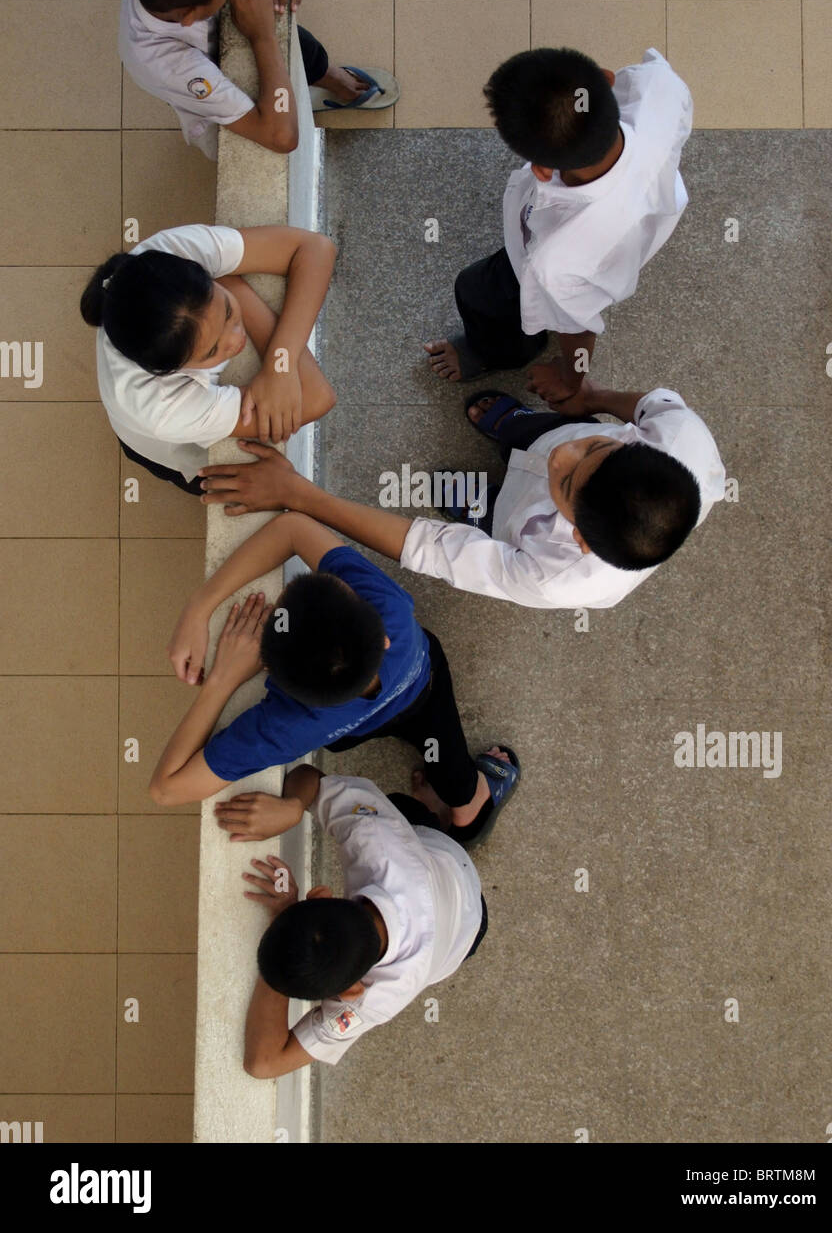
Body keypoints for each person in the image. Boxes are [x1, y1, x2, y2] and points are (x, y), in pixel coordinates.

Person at [193, 378, 726, 611]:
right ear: (646, 448)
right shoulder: (683, 438)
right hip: (556, 439)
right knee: (534, 435)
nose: (561, 459)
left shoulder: (552, 578)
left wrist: (302, 494)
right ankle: (516, 429)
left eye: (565, 485)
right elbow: (649, 404)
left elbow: (433, 547)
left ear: (582, 540)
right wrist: (589, 398)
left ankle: (486, 503)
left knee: (493, 519)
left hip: (514, 531)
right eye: (596, 446)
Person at [150, 511, 520, 846]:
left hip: (350, 728)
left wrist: (221, 677)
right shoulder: (390, 610)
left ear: (275, 678)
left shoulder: (292, 725)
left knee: (419, 760)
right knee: (458, 791)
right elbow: (293, 529)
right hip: (424, 686)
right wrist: (199, 609)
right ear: (382, 636)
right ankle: (468, 802)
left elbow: (168, 790)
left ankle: (452, 788)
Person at [425, 46, 692, 415]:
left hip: (574, 258)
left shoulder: (558, 261)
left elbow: (577, 326)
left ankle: (493, 352)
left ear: (540, 170)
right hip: (652, 206)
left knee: (477, 290)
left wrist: (571, 378)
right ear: (605, 78)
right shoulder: (657, 85)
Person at [234, 767, 488, 1074]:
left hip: (463, 925)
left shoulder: (374, 1000)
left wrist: (282, 934)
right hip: (446, 867)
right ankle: (433, 806)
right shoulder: (373, 837)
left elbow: (263, 1062)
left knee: (403, 812)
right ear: (319, 896)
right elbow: (307, 778)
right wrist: (291, 809)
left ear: (353, 991)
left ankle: (438, 807)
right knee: (402, 810)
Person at [120, 0, 399, 160]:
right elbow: (282, 138)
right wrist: (263, 35)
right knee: (249, 136)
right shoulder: (171, 66)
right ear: (191, 14)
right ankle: (326, 84)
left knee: (302, 45)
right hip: (208, 101)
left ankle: (330, 78)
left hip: (210, 48)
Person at [80, 222, 336, 494]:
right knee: (198, 478)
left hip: (139, 406)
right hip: (157, 444)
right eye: (212, 351)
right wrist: (232, 286)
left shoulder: (167, 256)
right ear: (168, 371)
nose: (237, 339)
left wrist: (279, 364)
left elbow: (317, 248)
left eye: (227, 311)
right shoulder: (163, 407)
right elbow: (317, 397)